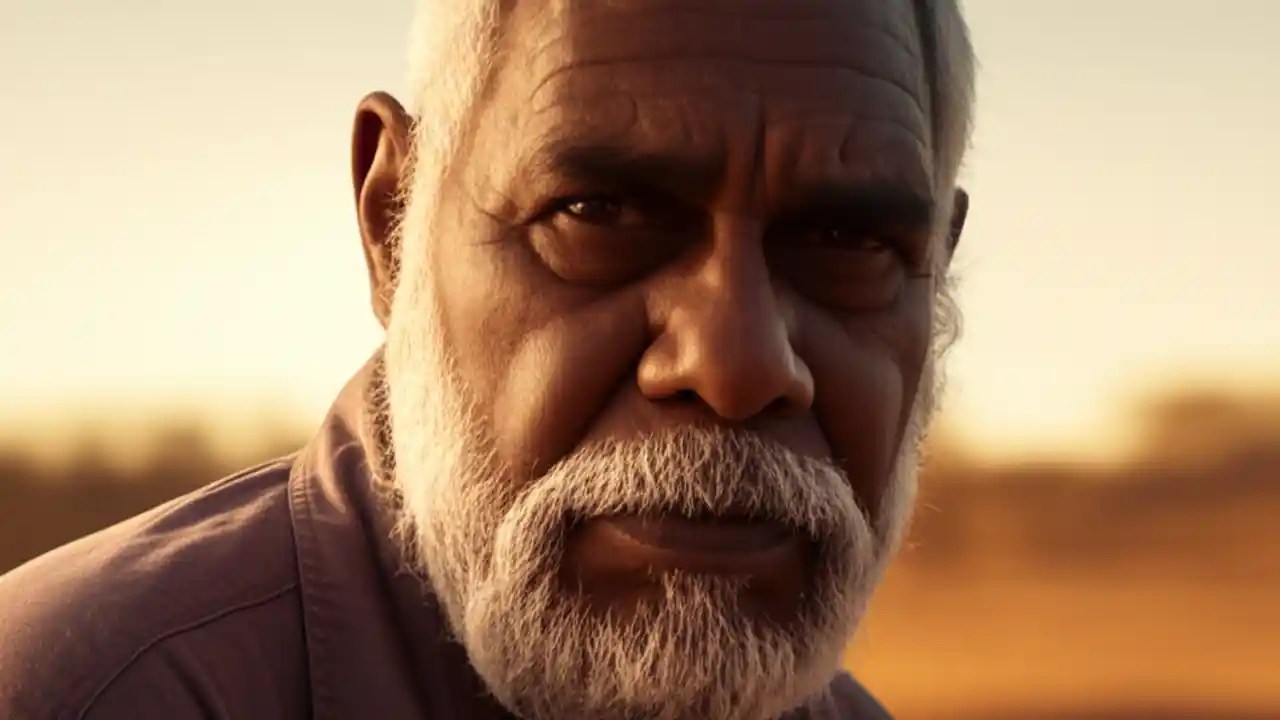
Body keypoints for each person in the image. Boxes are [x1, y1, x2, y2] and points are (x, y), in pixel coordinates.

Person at [0, 0, 975, 717]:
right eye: (598, 215)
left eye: (848, 244)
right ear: (393, 224)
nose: (732, 365)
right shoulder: (95, 694)